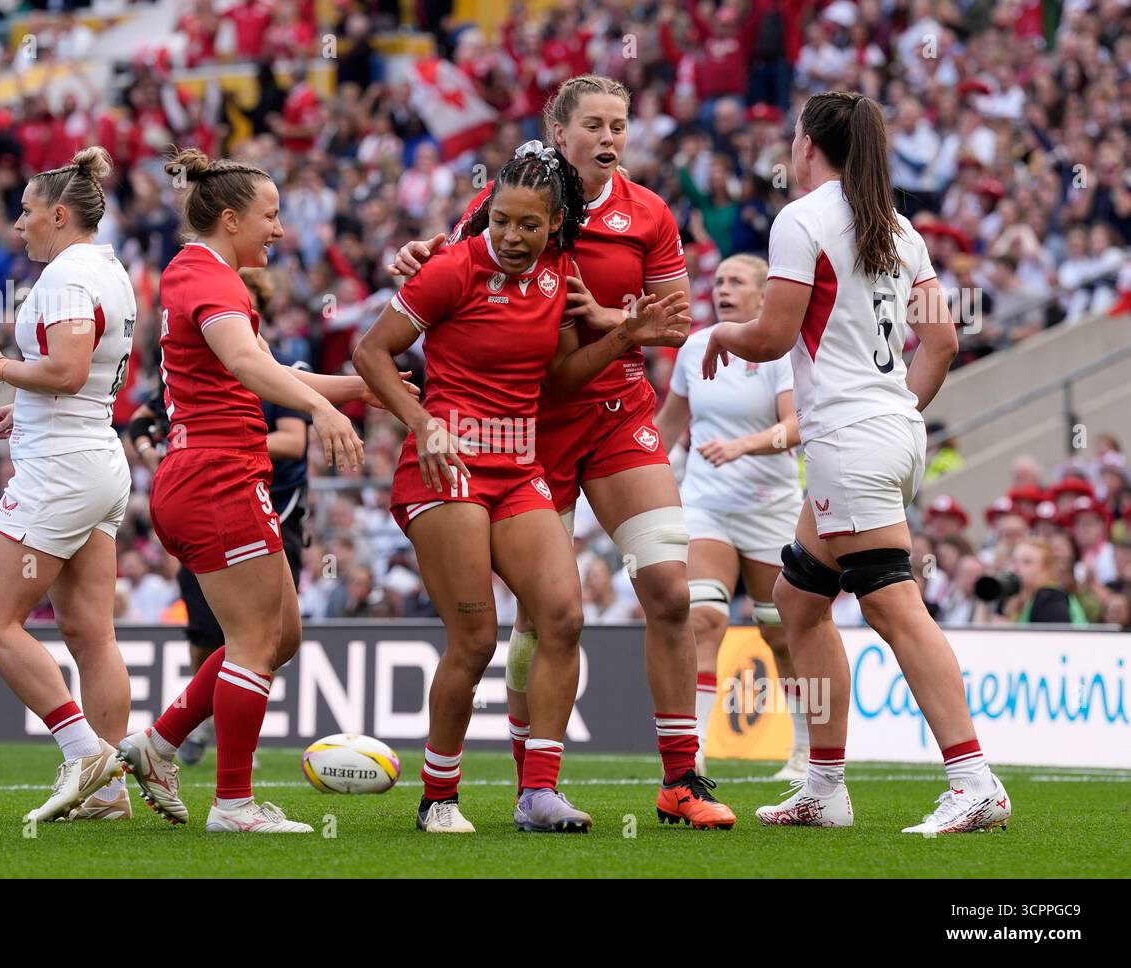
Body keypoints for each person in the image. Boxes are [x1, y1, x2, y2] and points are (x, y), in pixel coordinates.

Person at [391, 76, 735, 830]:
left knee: (671, 591)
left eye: (620, 123)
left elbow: (674, 325)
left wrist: (614, 318)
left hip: (614, 415)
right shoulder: (511, 203)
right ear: (558, 128)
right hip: (524, 426)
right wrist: (419, 253)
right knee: (537, 621)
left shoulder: (648, 214)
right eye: (594, 125)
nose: (610, 138)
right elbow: (457, 267)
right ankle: (532, 785)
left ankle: (683, 778)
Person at [702, 91, 1011, 833]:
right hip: (890, 432)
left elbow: (774, 335)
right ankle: (825, 786)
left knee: (892, 606)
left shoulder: (800, 219)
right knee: (801, 602)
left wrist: (723, 332)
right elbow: (941, 344)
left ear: (809, 145)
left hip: (846, 439)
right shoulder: (899, 227)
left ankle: (974, 781)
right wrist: (897, 409)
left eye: (793, 135)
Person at [115, 147, 369, 835]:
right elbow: (247, 363)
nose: (280, 230)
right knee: (257, 639)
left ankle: (158, 741)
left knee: (278, 635)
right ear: (230, 219)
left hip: (216, 475)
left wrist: (363, 387)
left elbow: (260, 366)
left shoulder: (204, 274)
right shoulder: (209, 278)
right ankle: (233, 806)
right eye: (271, 215)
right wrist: (323, 411)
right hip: (216, 478)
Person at [0, 147, 137, 824]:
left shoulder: (64, 277)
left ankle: (83, 752)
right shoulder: (110, 269)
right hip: (96, 458)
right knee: (91, 632)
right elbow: (85, 375)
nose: (18, 224)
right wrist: (27, 404)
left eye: (28, 211)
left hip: (62, 470)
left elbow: (65, 369)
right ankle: (113, 790)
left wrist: (2, 368)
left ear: (59, 214)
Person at [654, 253, 808, 781]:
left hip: (770, 509)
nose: (723, 288)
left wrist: (743, 447)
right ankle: (693, 752)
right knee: (703, 619)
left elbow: (796, 428)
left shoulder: (781, 354)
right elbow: (669, 427)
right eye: (718, 280)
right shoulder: (694, 348)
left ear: (764, 296)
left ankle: (806, 751)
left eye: (736, 281)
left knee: (782, 635)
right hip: (706, 505)